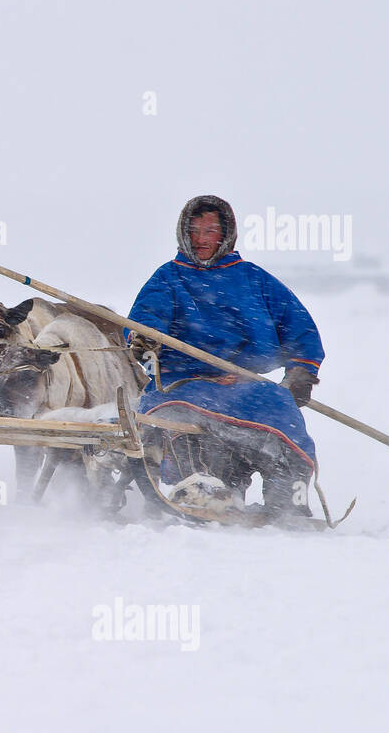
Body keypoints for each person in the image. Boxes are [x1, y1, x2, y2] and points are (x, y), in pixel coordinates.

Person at [126, 195, 323, 522]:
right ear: (183, 233)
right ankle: (194, 494)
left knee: (283, 414)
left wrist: (301, 373)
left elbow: (299, 327)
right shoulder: (168, 278)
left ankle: (287, 507)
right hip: (183, 385)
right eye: (195, 230)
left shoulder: (254, 279)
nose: (202, 239)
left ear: (226, 234)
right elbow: (145, 323)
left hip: (246, 385)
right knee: (175, 422)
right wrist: (145, 340)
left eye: (211, 230)